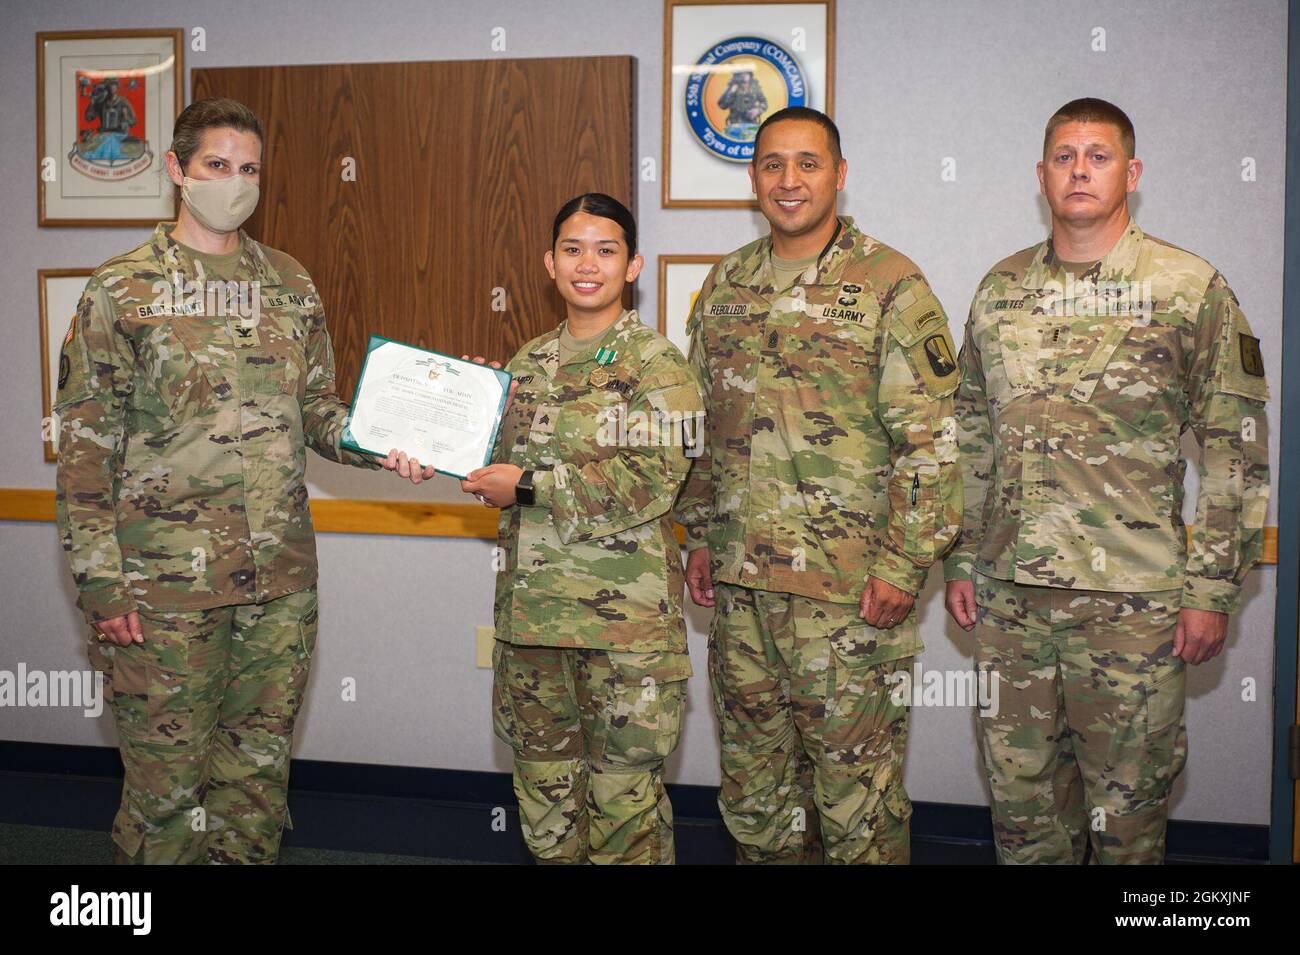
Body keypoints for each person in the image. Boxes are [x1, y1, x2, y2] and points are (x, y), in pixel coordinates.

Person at [54, 97, 431, 865]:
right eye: (216, 166)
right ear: (177, 171)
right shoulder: (121, 291)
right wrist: (102, 587)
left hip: (278, 583)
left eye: (249, 169)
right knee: (164, 797)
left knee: (256, 786)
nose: (235, 182)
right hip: (161, 592)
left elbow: (321, 411)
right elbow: (83, 454)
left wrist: (388, 440)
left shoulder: (289, 284)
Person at [942, 98, 1271, 864]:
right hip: (1010, 601)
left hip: (1133, 608)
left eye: (1097, 154)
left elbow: (1237, 445)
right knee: (1023, 817)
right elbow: (969, 434)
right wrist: (960, 555)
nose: (1079, 169)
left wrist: (1210, 589)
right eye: (1063, 155)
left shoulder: (1188, 287)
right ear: (1041, 174)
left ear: (1132, 171)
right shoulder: (999, 290)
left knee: (1126, 822)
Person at [675, 107, 963, 864]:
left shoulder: (890, 283)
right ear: (753, 178)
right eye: (773, 164)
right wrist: (698, 535)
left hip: (849, 600)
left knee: (857, 811)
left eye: (807, 163)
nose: (789, 180)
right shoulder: (727, 284)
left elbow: (932, 441)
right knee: (756, 804)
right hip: (742, 598)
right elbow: (701, 427)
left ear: (839, 173)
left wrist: (905, 565)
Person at [459, 193, 703, 864]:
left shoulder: (662, 367)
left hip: (624, 639)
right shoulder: (524, 366)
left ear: (633, 266)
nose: (587, 263)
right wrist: (465, 421)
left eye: (606, 249)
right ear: (549, 262)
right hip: (532, 628)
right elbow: (496, 480)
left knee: (625, 821)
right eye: (572, 248)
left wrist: (530, 485)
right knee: (545, 817)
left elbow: (653, 480)